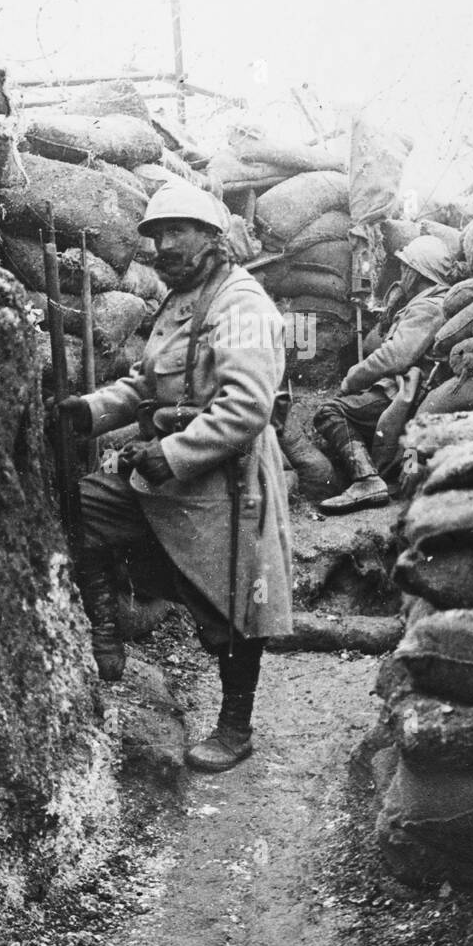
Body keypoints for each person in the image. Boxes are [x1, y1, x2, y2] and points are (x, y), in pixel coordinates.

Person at [57, 181, 293, 773]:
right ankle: (105, 623)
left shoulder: (242, 305)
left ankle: (235, 725)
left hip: (225, 482)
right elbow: (144, 384)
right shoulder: (178, 302)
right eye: (157, 236)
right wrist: (89, 411)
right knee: (78, 506)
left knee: (234, 602)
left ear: (212, 237)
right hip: (164, 479)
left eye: (177, 233)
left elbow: (246, 408)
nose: (164, 247)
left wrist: (175, 454)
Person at [313, 235, 456, 514]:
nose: (402, 274)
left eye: (406, 269)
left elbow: (396, 356)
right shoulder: (427, 303)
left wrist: (352, 379)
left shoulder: (428, 307)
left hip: (405, 392)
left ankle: (367, 480)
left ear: (417, 272)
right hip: (405, 391)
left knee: (330, 411)